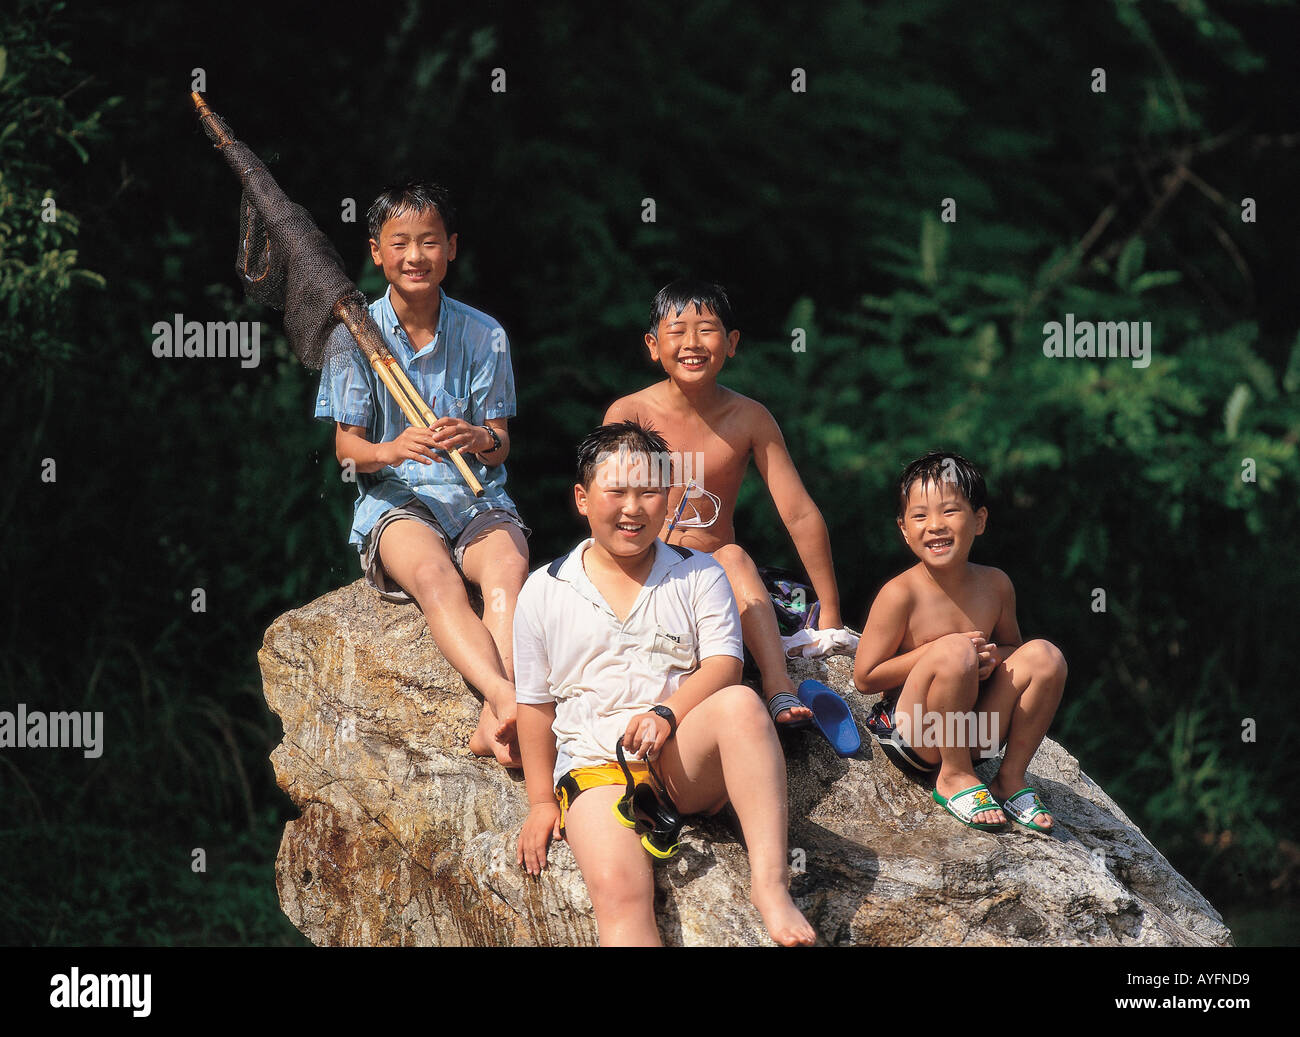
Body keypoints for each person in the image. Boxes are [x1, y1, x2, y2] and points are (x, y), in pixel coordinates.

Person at [513, 421, 816, 946]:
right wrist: (541, 802)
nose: (633, 508)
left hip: (680, 757)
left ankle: (769, 885)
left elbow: (724, 663)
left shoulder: (699, 572)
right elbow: (535, 704)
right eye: (618, 492)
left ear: (670, 499)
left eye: (649, 492)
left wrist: (667, 713)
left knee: (743, 703)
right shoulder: (544, 588)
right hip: (596, 772)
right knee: (622, 898)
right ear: (583, 499)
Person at [315, 180, 528, 768]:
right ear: (376, 251)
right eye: (400, 243)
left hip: (476, 496)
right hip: (395, 501)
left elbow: (500, 444)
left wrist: (481, 438)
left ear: (452, 248)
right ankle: (506, 697)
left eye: (429, 241)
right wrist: (393, 448)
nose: (415, 256)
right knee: (439, 581)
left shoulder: (485, 334)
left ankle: (494, 723)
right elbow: (347, 452)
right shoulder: (352, 336)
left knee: (508, 571)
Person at [603, 279, 847, 729]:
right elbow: (608, 509)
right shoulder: (629, 414)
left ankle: (777, 687)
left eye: (707, 330)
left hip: (713, 581)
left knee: (734, 555)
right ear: (653, 345)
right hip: (645, 574)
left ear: (732, 343)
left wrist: (829, 610)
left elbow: (798, 512)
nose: (692, 344)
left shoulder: (750, 417)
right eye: (677, 332)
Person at [853, 451, 1067, 831]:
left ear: (979, 520)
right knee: (953, 649)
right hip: (917, 732)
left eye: (949, 512)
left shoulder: (996, 584)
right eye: (920, 516)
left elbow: (1012, 650)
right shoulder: (900, 594)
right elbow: (866, 677)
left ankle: (1009, 779)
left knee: (1046, 657)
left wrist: (989, 658)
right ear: (903, 528)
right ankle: (953, 776)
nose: (934, 525)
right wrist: (936, 652)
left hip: (975, 733)